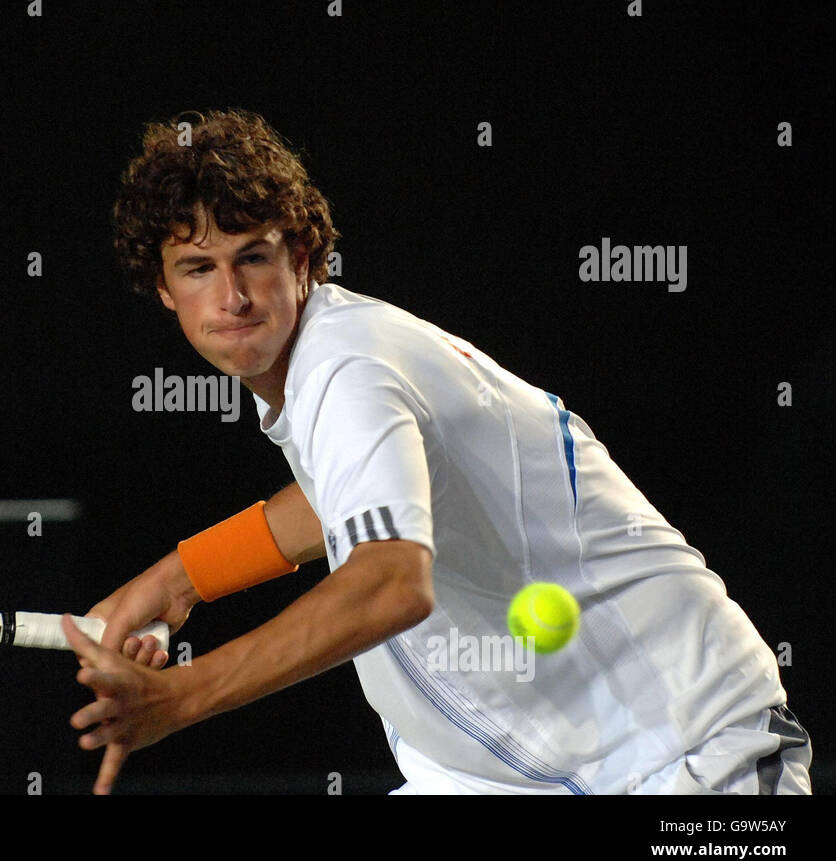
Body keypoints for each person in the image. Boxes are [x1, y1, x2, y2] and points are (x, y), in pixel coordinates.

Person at [60, 109, 813, 796]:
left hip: (690, 760)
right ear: (162, 289)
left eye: (253, 257)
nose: (233, 295)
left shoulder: (347, 370)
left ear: (304, 257)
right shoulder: (328, 363)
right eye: (199, 268)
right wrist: (181, 579)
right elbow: (347, 497)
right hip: (514, 777)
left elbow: (392, 584)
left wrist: (182, 698)